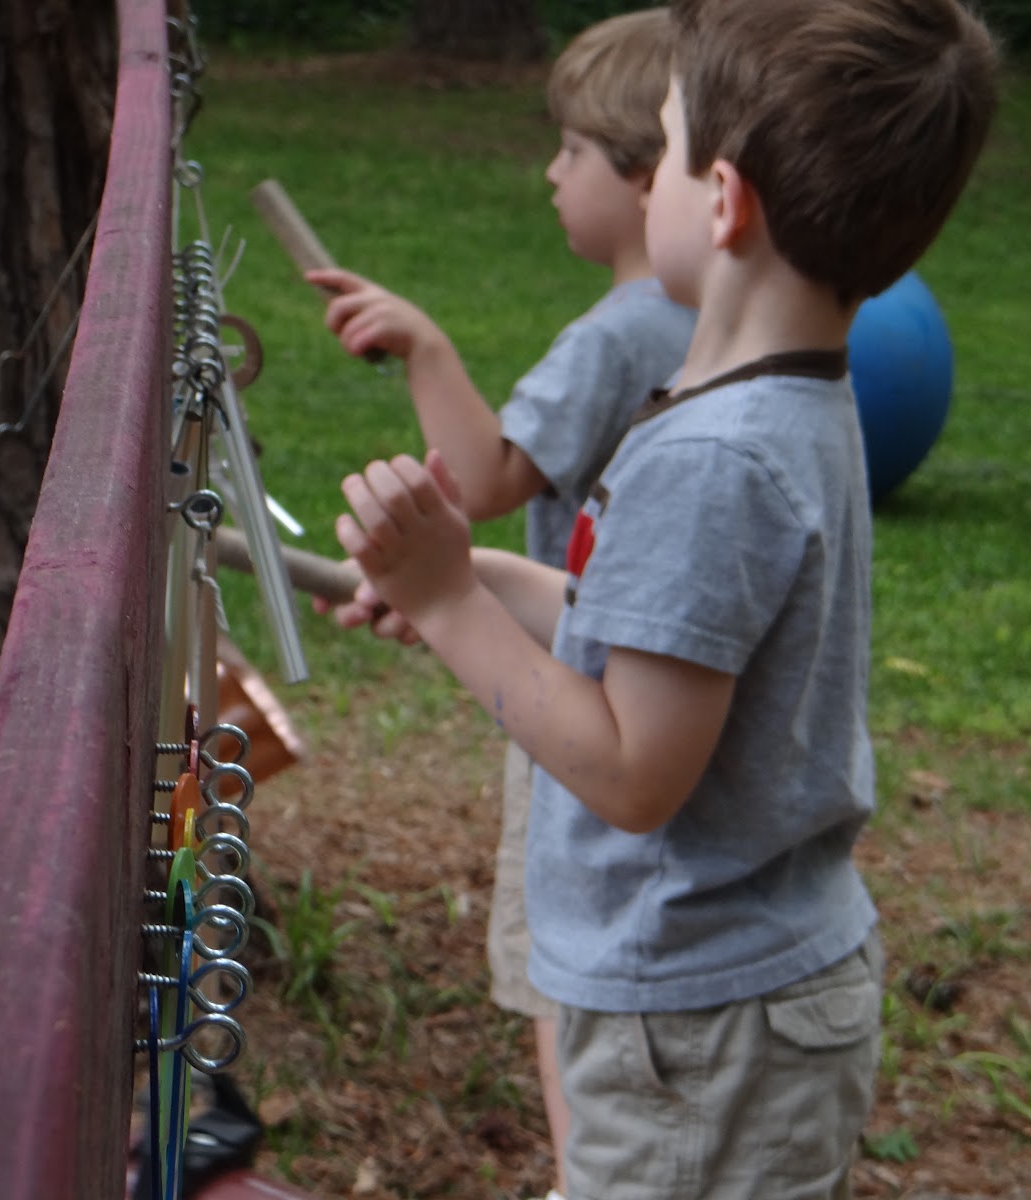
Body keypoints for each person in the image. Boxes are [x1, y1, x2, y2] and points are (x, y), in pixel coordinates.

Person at [327, 0, 999, 1196]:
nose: (646, 190)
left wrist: (445, 610)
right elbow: (632, 625)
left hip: (701, 1028)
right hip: (731, 1003)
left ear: (724, 200)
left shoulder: (716, 456)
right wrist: (472, 578)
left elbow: (635, 771)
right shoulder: (778, 399)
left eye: (668, 153)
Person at [306, 13, 693, 1198]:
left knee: (551, 956)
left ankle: (586, 1170)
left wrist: (425, 349)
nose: (548, 172)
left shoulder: (620, 330)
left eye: (570, 150)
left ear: (642, 177)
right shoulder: (700, 324)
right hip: (631, 671)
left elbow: (475, 483)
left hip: (571, 691)